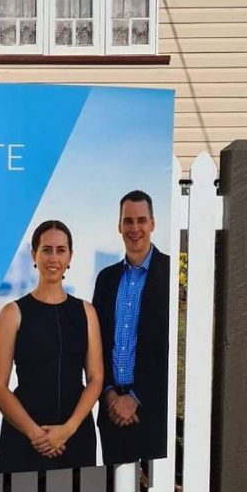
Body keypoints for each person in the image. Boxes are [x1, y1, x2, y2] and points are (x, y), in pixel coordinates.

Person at [0, 220, 103, 473]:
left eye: (61, 250)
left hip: (76, 437)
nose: (54, 257)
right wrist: (36, 435)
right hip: (23, 438)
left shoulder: (86, 312)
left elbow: (96, 379)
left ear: (70, 257)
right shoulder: (12, 313)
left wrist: (68, 429)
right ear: (34, 255)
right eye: (46, 249)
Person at [92, 190, 170, 465]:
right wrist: (110, 394)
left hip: (152, 409)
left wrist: (136, 398)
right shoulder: (106, 279)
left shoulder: (168, 274)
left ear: (152, 223)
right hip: (111, 409)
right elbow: (96, 343)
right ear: (119, 226)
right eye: (128, 221)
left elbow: (168, 348)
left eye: (141, 220)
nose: (134, 228)